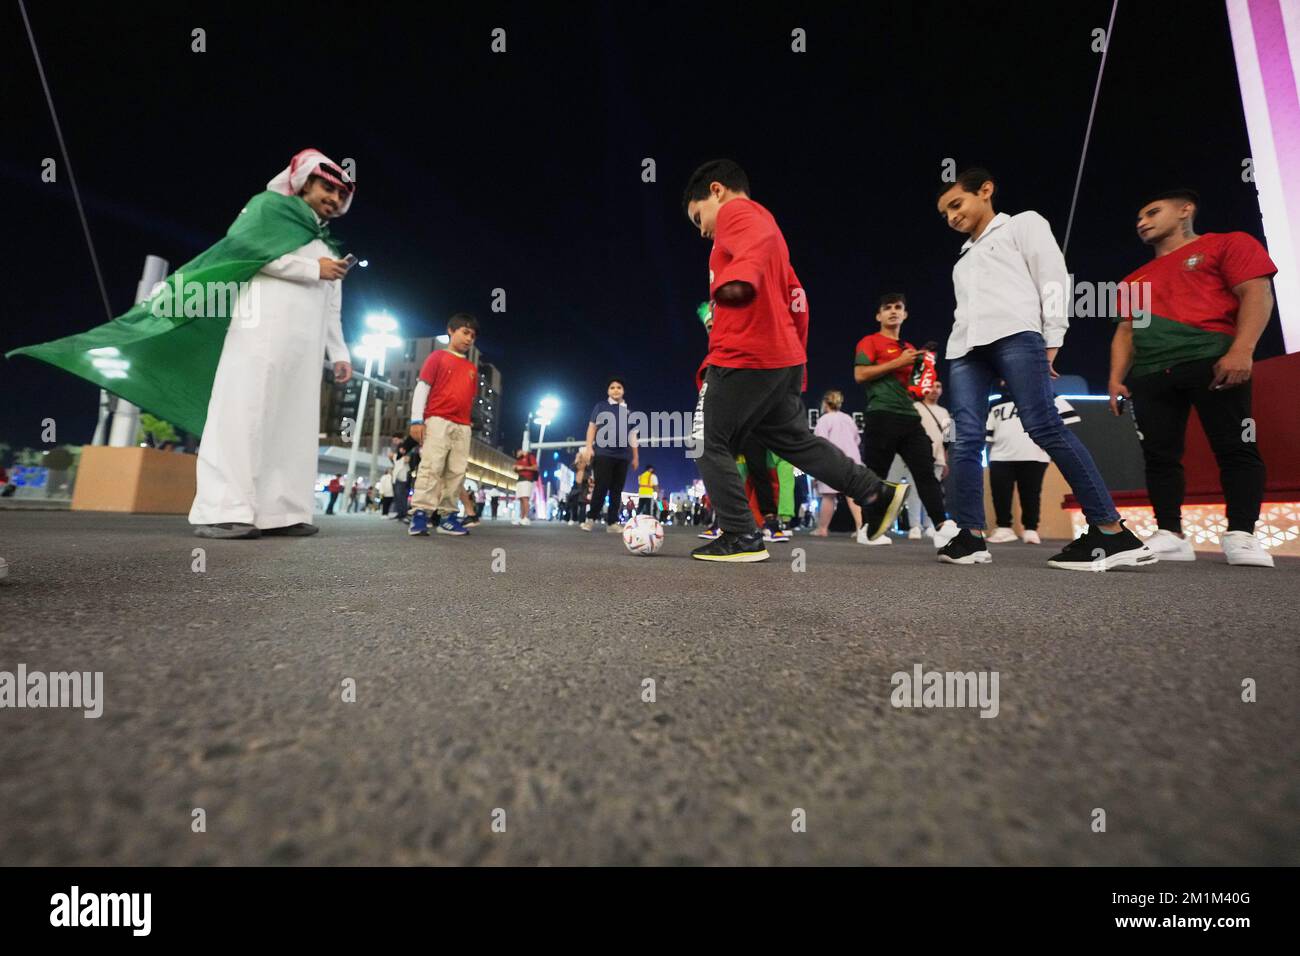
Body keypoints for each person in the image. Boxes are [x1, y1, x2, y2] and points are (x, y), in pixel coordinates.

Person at [682, 159, 904, 562]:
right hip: (779, 357)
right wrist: (796, 365)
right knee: (795, 442)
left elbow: (756, 249)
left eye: (699, 217)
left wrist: (739, 279)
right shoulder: (768, 231)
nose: (701, 230)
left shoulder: (739, 212)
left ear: (716, 191)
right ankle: (874, 492)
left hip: (746, 354)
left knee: (704, 440)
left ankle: (740, 534)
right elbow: (799, 300)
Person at [936, 167, 1154, 570]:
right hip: (964, 349)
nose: (951, 216)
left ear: (986, 190)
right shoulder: (963, 258)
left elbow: (1052, 280)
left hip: (1017, 336)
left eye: (956, 204)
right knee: (965, 439)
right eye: (944, 213)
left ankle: (1112, 533)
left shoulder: (1023, 225)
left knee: (1044, 427)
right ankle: (970, 536)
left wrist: (1052, 340)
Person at [188, 149, 356, 538]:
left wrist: (340, 353)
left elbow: (333, 306)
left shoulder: (326, 244)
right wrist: (312, 269)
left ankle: (281, 512)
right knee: (243, 415)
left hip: (306, 349)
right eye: (326, 187)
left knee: (293, 424)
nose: (333, 198)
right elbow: (245, 251)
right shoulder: (268, 209)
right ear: (304, 182)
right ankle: (222, 509)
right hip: (258, 334)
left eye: (341, 194)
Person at [1110, 189, 1276, 568]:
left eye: (1152, 211)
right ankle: (1170, 534)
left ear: (1186, 210)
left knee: (1236, 447)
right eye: (1138, 217)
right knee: (1159, 455)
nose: (1142, 221)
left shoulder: (1228, 243)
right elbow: (1125, 331)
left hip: (1211, 360)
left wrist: (1242, 349)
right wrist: (1116, 379)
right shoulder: (1131, 280)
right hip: (1150, 372)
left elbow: (1257, 291)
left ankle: (1242, 534)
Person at [855, 293, 958, 549]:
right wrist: (898, 362)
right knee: (875, 475)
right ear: (879, 315)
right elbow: (860, 374)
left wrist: (924, 367)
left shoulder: (910, 349)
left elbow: (917, 389)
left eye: (898, 307)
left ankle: (942, 527)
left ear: (905, 314)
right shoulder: (869, 342)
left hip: (910, 416)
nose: (893, 311)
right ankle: (868, 528)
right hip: (881, 413)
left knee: (925, 472)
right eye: (887, 307)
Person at [406, 313, 480, 537]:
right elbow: (423, 387)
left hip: (463, 425)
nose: (469, 339)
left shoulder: (471, 368)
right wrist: (417, 419)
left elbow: (469, 399)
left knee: (457, 471)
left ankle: (448, 517)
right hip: (437, 420)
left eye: (473, 336)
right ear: (451, 330)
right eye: (465, 332)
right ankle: (420, 514)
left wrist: (469, 425)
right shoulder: (437, 357)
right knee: (431, 466)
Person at [985, 391, 1079, 544]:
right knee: (1000, 493)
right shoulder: (995, 403)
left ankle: (1030, 528)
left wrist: (1051, 442)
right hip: (1000, 455)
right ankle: (1003, 527)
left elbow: (1068, 418)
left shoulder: (1045, 395)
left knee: (1031, 493)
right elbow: (988, 431)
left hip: (1034, 454)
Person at [581, 377, 639, 532]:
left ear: (623, 390)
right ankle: (590, 518)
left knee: (617, 490)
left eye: (619, 387)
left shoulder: (629, 411)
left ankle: (612, 523)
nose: (615, 390)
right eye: (612, 387)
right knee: (601, 486)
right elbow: (592, 427)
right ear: (608, 391)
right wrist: (589, 447)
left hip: (623, 456)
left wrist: (635, 456)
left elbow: (633, 436)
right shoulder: (601, 406)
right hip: (603, 453)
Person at [811, 390, 866, 541]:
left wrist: (817, 470)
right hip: (852, 461)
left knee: (828, 496)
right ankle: (861, 527)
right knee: (852, 495)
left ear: (824, 403)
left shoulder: (824, 420)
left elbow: (820, 444)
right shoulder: (848, 418)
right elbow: (857, 440)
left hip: (832, 461)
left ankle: (822, 529)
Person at [912, 382, 954, 537]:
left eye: (938, 387)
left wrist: (945, 460)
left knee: (934, 490)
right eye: (931, 386)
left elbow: (949, 437)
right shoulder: (915, 407)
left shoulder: (945, 412)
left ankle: (931, 524)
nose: (935, 390)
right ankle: (914, 525)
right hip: (917, 455)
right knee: (915, 491)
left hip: (938, 456)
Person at [513, 448, 539, 526]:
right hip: (520, 480)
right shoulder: (519, 460)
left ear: (520, 451)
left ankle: (526, 517)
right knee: (521, 499)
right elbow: (517, 470)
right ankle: (521, 517)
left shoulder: (530, 457)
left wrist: (524, 468)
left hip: (527, 479)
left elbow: (535, 467)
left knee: (525, 498)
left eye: (517, 453)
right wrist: (515, 468)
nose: (516, 455)